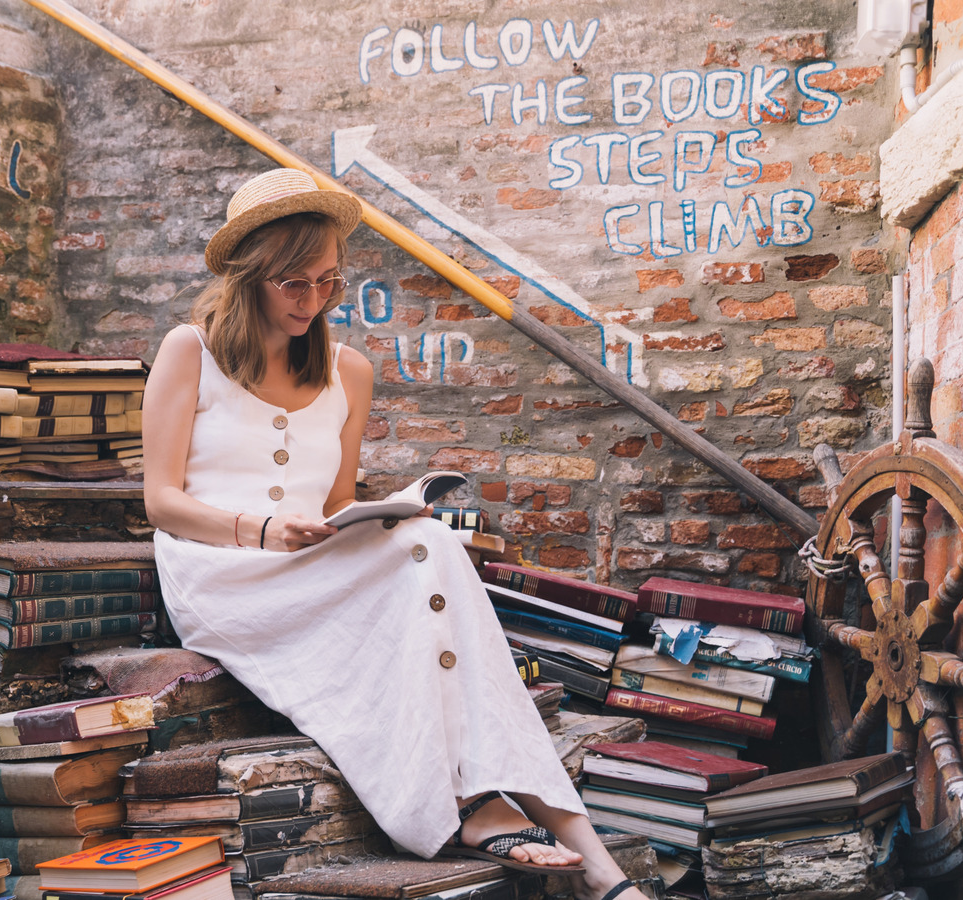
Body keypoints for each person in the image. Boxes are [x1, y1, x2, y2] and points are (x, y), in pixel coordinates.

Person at [141, 168, 647, 900]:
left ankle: (577, 851)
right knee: (425, 564)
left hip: (310, 563)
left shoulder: (347, 370)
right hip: (219, 572)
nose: (313, 301)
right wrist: (259, 528)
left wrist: (381, 515)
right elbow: (160, 501)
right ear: (249, 276)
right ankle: (488, 813)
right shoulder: (190, 350)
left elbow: (338, 500)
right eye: (293, 284)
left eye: (329, 282)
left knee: (430, 544)